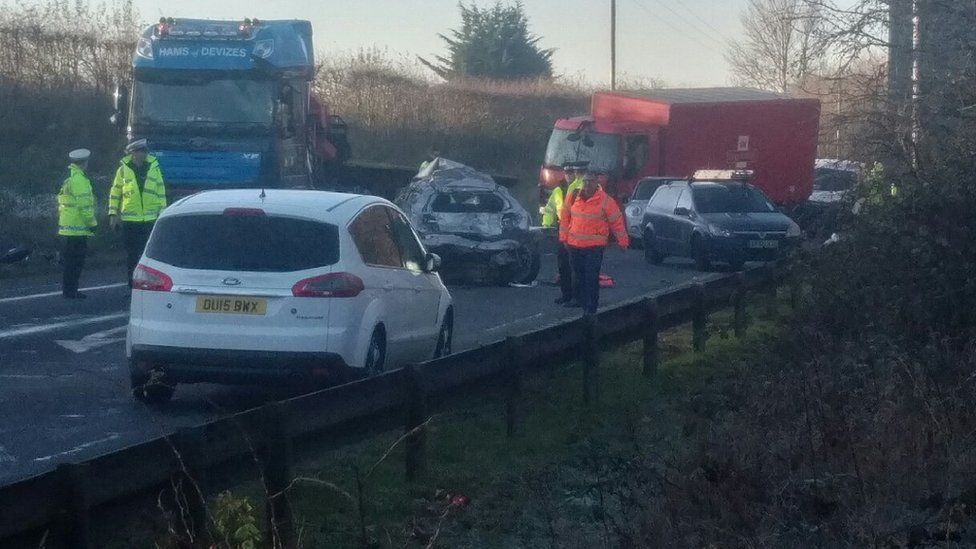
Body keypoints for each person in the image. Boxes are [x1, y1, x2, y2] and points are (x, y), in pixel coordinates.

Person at [559, 170, 629, 315]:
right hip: (575, 245)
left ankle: (591, 310)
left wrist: (623, 241)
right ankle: (581, 303)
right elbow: (565, 217)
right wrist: (563, 238)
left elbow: (617, 222)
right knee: (578, 277)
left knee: (591, 277)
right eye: (585, 181)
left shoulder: (606, 201)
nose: (587, 184)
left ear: (597, 182)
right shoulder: (573, 197)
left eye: (590, 181)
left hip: (594, 247)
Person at [108, 139, 167, 285]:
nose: (143, 155)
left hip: (150, 218)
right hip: (130, 219)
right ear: (132, 153)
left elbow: (160, 191)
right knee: (132, 254)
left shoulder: (154, 167)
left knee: (149, 253)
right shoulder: (123, 170)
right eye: (139, 152)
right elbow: (115, 193)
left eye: (144, 152)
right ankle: (132, 282)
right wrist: (113, 214)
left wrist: (163, 213)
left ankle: (149, 281)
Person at [542, 161, 584, 304]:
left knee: (576, 267)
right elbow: (550, 209)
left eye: (572, 172)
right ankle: (566, 295)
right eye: (566, 172)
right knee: (563, 266)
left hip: (578, 232)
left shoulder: (582, 187)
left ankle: (577, 297)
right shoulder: (558, 190)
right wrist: (546, 225)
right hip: (563, 231)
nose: (569, 175)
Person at [57, 149, 98, 299]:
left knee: (69, 263)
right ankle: (71, 292)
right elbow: (84, 206)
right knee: (75, 263)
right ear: (84, 163)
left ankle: (69, 291)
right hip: (78, 228)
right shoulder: (79, 180)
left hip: (68, 227)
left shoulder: (69, 178)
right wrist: (92, 223)